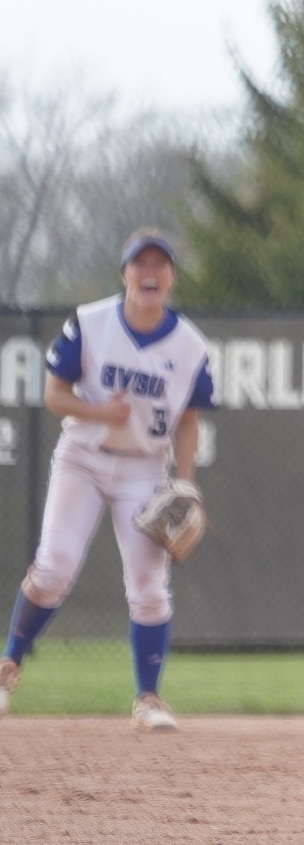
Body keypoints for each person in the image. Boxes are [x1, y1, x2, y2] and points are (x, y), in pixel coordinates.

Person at [0, 229, 216, 731]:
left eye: (160, 264)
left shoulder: (189, 345)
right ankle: (8, 666)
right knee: (54, 569)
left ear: (170, 278)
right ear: (125, 275)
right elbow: (55, 394)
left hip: (144, 468)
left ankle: (149, 699)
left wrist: (185, 485)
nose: (150, 272)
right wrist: (99, 410)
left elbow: (188, 418)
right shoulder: (91, 322)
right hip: (82, 457)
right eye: (140, 264)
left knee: (149, 589)